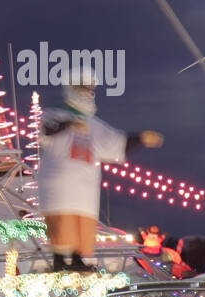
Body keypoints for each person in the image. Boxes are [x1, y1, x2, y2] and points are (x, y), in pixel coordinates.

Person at [37, 72, 162, 271]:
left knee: (82, 222)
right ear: (71, 89)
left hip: (85, 186)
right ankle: (59, 260)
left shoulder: (93, 124)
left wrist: (140, 139)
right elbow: (47, 130)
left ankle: (77, 259)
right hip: (60, 180)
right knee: (62, 221)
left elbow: (115, 143)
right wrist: (69, 124)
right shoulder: (55, 113)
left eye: (89, 89)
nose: (87, 93)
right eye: (82, 88)